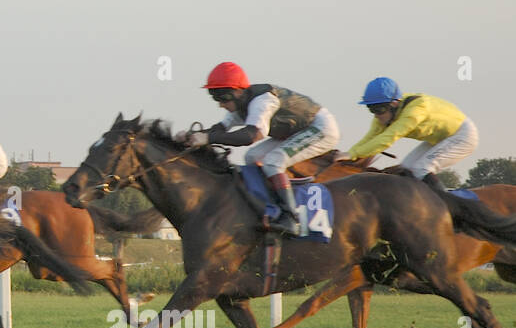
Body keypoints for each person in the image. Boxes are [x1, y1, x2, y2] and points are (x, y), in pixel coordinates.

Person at [184, 62, 339, 236]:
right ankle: (268, 205)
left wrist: (208, 138)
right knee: (252, 157)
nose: (220, 104)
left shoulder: (262, 101)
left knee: (273, 162)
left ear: (238, 91)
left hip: (320, 128)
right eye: (214, 97)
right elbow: (219, 129)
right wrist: (192, 136)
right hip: (295, 132)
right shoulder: (239, 104)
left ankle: (291, 217)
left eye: (222, 97)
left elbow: (251, 136)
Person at [343, 78, 477, 193]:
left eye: (379, 109)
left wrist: (352, 154)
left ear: (394, 104)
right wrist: (348, 154)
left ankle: (448, 208)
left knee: (421, 169)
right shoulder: (384, 115)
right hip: (441, 138)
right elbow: (369, 138)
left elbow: (386, 140)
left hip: (462, 135)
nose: (376, 114)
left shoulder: (414, 111)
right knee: (406, 169)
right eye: (371, 109)